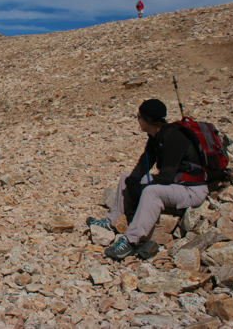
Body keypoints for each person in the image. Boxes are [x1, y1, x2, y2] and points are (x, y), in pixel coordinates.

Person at [87, 99, 209, 260]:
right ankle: (110, 223)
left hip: (192, 188)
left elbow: (165, 177)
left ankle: (130, 241)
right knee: (126, 178)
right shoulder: (155, 137)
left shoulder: (174, 139)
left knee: (152, 191)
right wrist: (133, 182)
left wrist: (141, 189)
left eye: (138, 117)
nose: (137, 120)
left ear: (146, 120)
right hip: (176, 184)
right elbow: (143, 164)